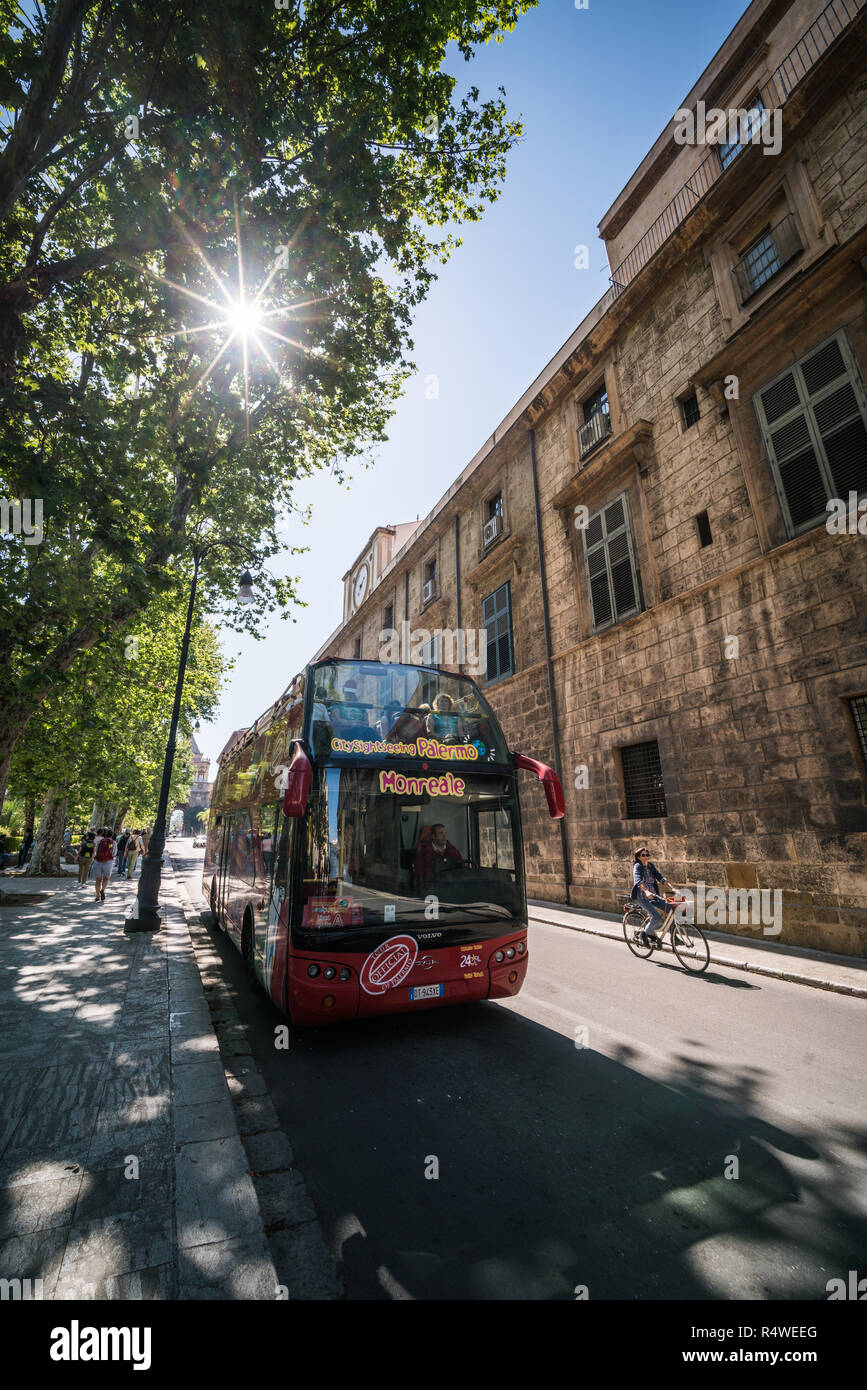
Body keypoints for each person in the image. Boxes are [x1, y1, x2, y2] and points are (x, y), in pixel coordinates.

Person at [631, 846, 676, 948]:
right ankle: (644, 934)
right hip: (641, 896)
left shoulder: (650, 866)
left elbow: (660, 877)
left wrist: (672, 888)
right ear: (638, 857)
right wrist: (646, 892)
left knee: (671, 908)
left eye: (647, 854)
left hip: (653, 895)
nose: (646, 856)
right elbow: (639, 881)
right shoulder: (638, 866)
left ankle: (674, 937)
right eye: (643, 855)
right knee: (656, 917)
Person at [414, 823, 463, 888]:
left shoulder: (453, 851)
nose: (444, 836)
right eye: (440, 833)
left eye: (445, 833)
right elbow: (420, 877)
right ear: (433, 836)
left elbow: (462, 871)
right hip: (431, 890)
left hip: (452, 889)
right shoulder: (423, 854)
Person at [91, 827, 115, 902]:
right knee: (106, 878)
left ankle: (97, 896)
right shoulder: (113, 842)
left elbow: (95, 851)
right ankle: (103, 890)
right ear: (112, 835)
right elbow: (114, 853)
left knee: (98, 880)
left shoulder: (100, 841)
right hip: (108, 862)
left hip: (98, 861)